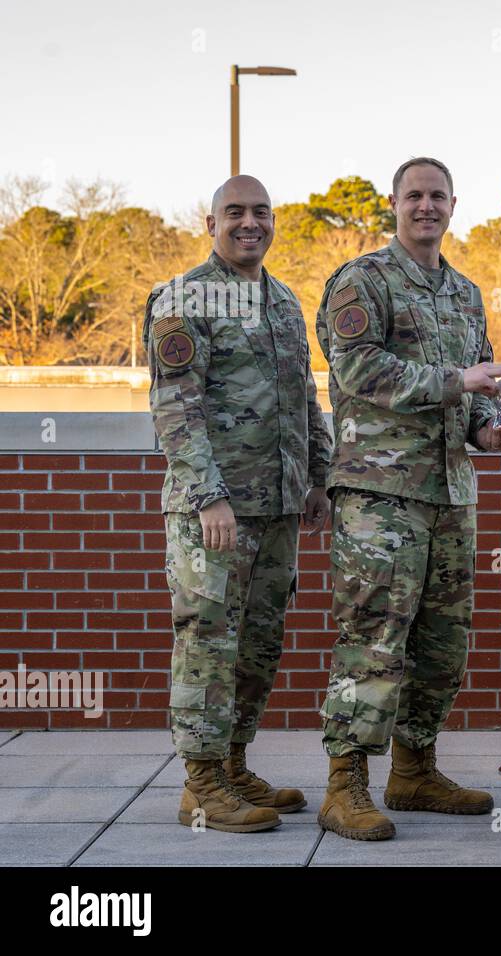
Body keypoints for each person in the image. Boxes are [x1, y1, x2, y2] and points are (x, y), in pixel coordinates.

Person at [315, 157, 501, 841]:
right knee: (373, 639)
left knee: (442, 644)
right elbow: (357, 368)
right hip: (381, 495)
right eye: (414, 196)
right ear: (394, 205)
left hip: (448, 494)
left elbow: (469, 391)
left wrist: (487, 430)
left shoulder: (465, 293)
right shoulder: (363, 279)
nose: (426, 207)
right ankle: (345, 784)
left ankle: (414, 770)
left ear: (454, 205)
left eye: (437, 196)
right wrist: (459, 379)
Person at [146, 174, 332, 833]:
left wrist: (317, 478)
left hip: (278, 508)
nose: (249, 222)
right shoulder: (183, 298)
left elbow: (306, 398)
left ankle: (232, 764)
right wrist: (209, 498)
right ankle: (200, 786)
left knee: (258, 645)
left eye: (260, 212)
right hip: (216, 516)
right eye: (235, 212)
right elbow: (175, 409)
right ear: (211, 222)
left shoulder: (281, 300)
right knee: (207, 644)